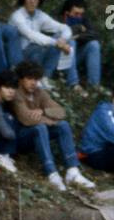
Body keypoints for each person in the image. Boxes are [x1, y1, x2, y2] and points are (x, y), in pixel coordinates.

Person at [10, 60, 94, 191]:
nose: (33, 82)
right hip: (20, 138)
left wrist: (43, 111)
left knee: (63, 125)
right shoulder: (16, 94)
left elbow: (61, 112)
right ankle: (51, 172)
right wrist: (50, 120)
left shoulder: (39, 92)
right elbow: (27, 119)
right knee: (40, 127)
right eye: (29, 78)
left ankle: (72, 171)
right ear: (21, 79)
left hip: (38, 134)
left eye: (36, 79)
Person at [8, 0, 71, 83]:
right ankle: (35, 78)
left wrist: (62, 40)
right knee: (40, 46)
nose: (32, 1)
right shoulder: (17, 16)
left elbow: (64, 28)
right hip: (19, 56)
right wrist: (56, 43)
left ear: (39, 0)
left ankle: (45, 78)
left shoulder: (40, 15)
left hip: (35, 53)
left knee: (60, 40)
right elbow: (31, 35)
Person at [58, 0, 99, 89]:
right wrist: (78, 28)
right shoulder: (58, 19)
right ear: (67, 12)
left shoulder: (83, 20)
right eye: (76, 14)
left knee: (94, 45)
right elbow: (59, 36)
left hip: (75, 58)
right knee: (71, 42)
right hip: (58, 59)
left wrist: (78, 36)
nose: (79, 16)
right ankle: (73, 83)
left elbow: (94, 34)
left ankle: (94, 86)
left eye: (81, 14)